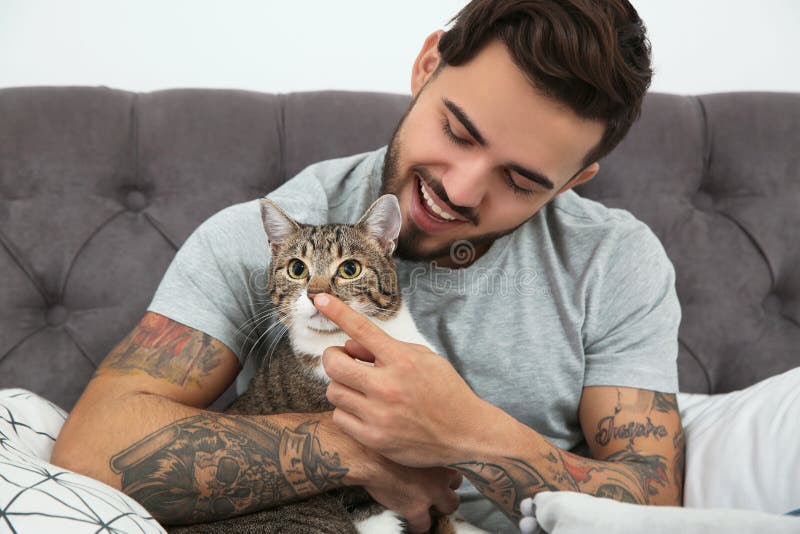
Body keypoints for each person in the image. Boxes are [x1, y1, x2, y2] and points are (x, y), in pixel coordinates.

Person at [51, 1, 685, 532]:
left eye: (519, 181)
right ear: (428, 66)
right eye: (458, 133)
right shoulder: (264, 239)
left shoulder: (616, 261)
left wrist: (468, 432)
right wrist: (357, 451)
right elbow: (91, 450)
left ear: (571, 181)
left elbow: (655, 508)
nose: (460, 190)